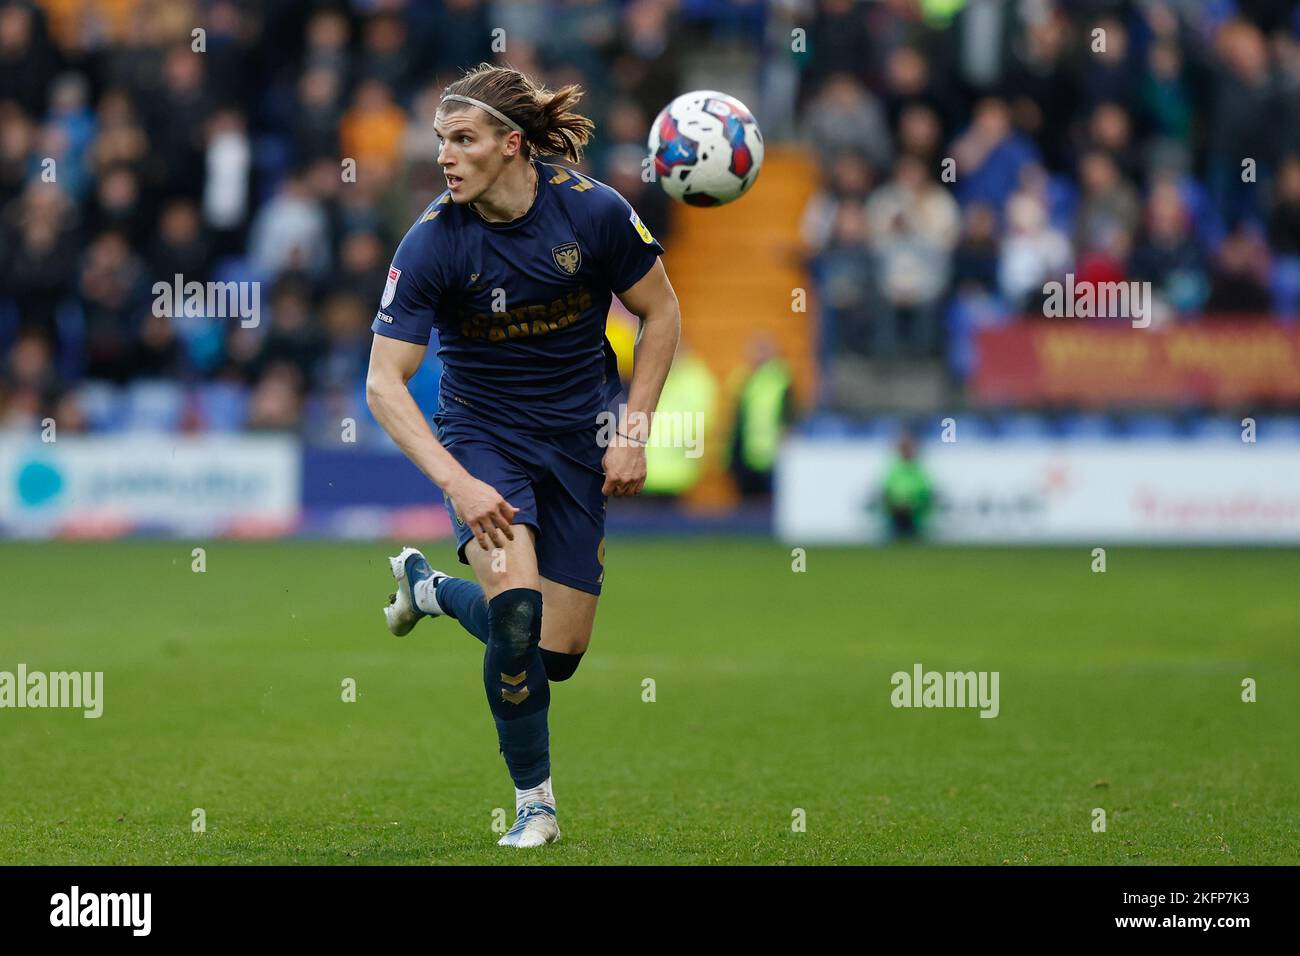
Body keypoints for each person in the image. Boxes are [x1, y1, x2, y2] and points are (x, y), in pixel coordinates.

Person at [364, 64, 681, 848]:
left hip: (577, 440)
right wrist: (458, 480)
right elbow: (382, 383)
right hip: (484, 437)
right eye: (441, 140)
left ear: (511, 145)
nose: (445, 156)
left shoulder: (594, 213)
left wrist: (634, 430)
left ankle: (429, 589)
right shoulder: (434, 239)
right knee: (515, 617)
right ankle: (534, 804)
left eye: (462, 140)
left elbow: (662, 311)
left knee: (557, 653)